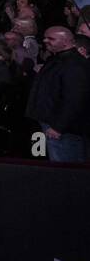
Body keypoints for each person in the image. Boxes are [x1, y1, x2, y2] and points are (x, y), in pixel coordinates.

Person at [26, 26, 90, 163]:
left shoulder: (75, 65)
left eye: (51, 39)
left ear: (66, 42)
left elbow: (75, 99)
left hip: (62, 130)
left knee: (65, 168)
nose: (45, 41)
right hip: (49, 123)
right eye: (44, 37)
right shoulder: (57, 60)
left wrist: (58, 127)